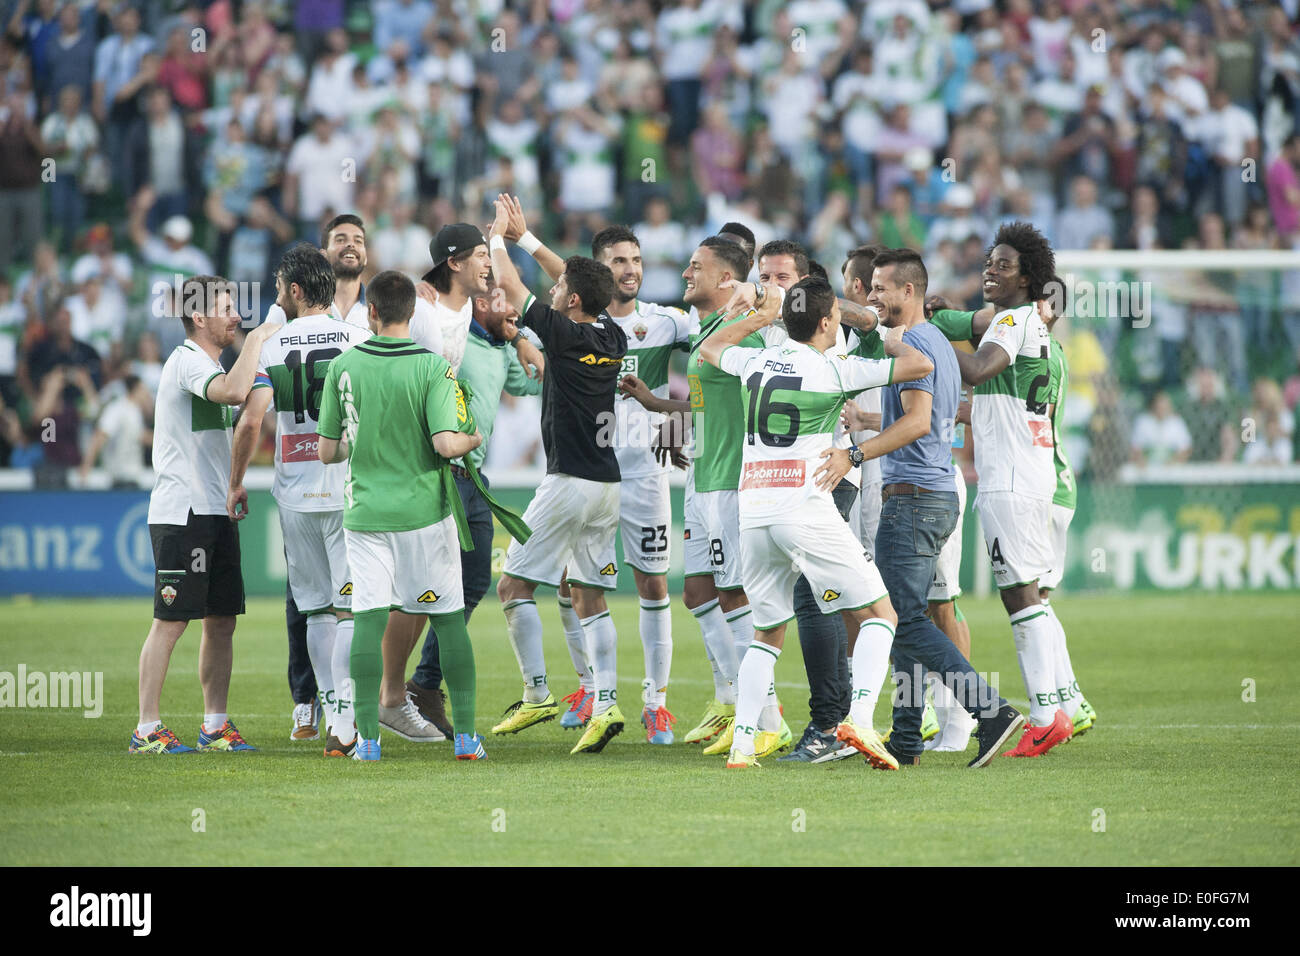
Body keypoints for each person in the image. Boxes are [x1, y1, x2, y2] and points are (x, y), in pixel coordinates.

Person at [698, 275, 931, 769]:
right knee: (881, 614)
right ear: (828, 321)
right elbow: (921, 363)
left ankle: (743, 746)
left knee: (766, 632)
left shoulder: (756, 361)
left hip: (753, 511)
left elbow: (711, 346)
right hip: (803, 508)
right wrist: (873, 326)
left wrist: (761, 315)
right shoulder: (834, 370)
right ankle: (861, 720)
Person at [817, 249, 1028, 768]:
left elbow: (915, 422)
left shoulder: (912, 342)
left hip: (912, 500)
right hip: (933, 495)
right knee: (906, 618)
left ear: (908, 292)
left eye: (881, 288)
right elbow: (934, 420)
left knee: (900, 621)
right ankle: (907, 739)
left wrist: (854, 452)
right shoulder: (934, 340)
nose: (871, 296)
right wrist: (869, 420)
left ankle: (992, 712)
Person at [500, 208, 689, 743]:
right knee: (577, 584)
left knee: (652, 583)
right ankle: (591, 690)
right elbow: (573, 280)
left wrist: (674, 425)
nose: (629, 270)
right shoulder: (596, 321)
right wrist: (531, 241)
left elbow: (706, 377)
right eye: (618, 263)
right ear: (602, 275)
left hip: (638, 472)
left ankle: (655, 701)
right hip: (603, 474)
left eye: (636, 260)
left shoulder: (665, 320)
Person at [316, 270, 486, 762]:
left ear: (371, 311)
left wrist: (362, 437)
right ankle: (467, 740)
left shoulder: (344, 366)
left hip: (365, 513)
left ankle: (366, 740)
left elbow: (329, 452)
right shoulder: (434, 367)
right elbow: (444, 443)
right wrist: (473, 438)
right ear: (413, 314)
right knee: (448, 620)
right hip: (425, 515)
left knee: (368, 618)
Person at [487, 195, 630, 755]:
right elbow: (578, 283)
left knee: (512, 586)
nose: (550, 292)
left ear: (570, 302)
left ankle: (538, 693)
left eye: (559, 293)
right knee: (588, 594)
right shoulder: (612, 336)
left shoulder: (564, 335)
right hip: (607, 485)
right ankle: (607, 702)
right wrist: (529, 238)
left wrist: (500, 239)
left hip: (568, 480)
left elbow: (515, 290)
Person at [930, 222, 1074, 757]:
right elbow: (993, 396)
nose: (991, 269)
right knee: (1030, 593)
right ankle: (1059, 704)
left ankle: (1043, 715)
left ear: (1029, 278)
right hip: (1033, 473)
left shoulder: (1012, 322)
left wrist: (928, 337)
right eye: (989, 261)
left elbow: (978, 369)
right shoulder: (1033, 328)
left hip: (1010, 479)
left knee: (1018, 596)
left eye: (1004, 264)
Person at [228, 245, 372, 757]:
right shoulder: (359, 338)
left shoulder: (271, 344)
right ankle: (346, 724)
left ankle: (331, 710)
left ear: (293, 290)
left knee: (314, 610)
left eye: (277, 287)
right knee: (352, 609)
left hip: (295, 493)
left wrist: (236, 481)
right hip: (350, 491)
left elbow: (249, 420)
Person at [130, 276, 281, 754]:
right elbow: (235, 394)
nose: (237, 316)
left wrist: (233, 486)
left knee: (221, 620)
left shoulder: (212, 364)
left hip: (214, 509)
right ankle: (146, 729)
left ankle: (214, 726)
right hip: (183, 513)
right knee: (171, 620)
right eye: (227, 307)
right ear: (199, 317)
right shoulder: (186, 362)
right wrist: (259, 338)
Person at [404, 275, 543, 732]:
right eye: (504, 301)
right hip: (440, 474)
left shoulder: (504, 348)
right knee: (418, 589)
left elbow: (537, 380)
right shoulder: (452, 336)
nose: (513, 311)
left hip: (473, 476)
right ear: (478, 301)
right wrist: (417, 292)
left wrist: (519, 337)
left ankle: (421, 685)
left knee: (473, 581)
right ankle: (386, 693)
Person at [1039, 284, 1096, 738]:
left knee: (1033, 602)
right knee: (1038, 601)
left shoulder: (1038, 352)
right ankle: (1070, 697)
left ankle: (1067, 700)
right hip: (1056, 486)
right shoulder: (1053, 351)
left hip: (1047, 489)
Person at [78, 374, 151, 487]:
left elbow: (141, 436)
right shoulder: (116, 409)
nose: (147, 395)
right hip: (118, 478)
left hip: (133, 475)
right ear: (136, 390)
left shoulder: (135, 411)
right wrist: (86, 467)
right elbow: (100, 436)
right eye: (144, 391)